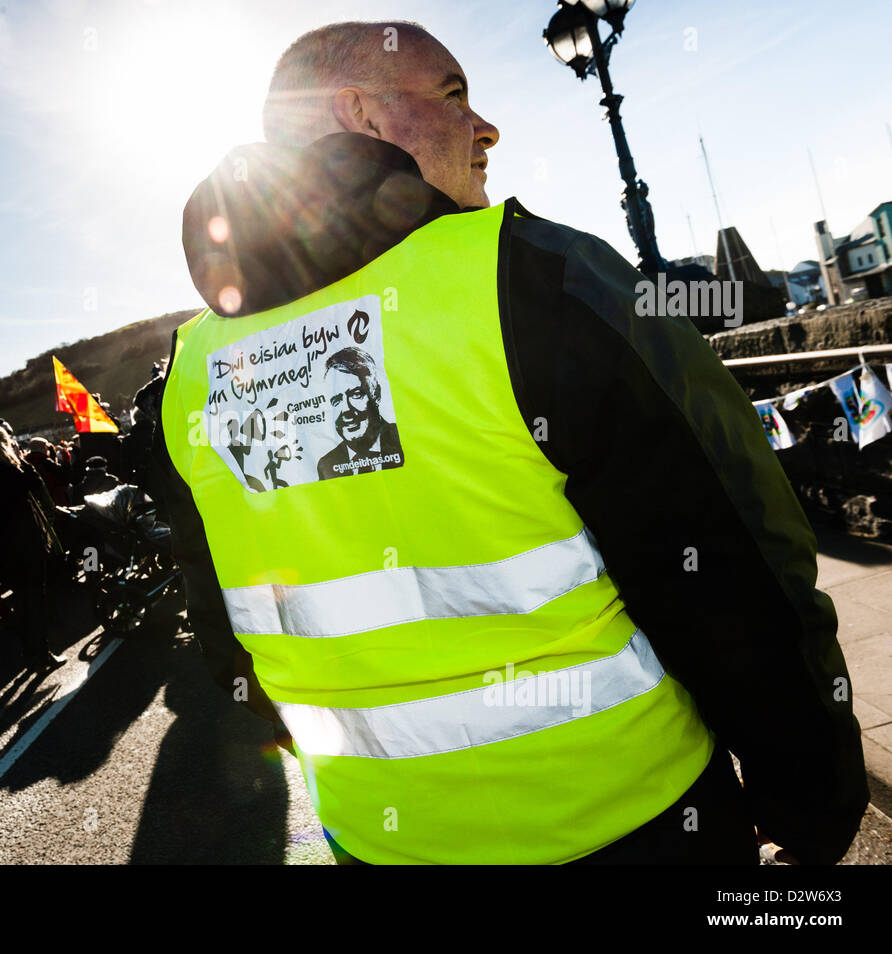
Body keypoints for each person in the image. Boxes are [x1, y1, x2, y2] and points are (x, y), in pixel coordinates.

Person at [155, 21, 866, 865]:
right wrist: (811, 797)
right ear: (358, 116)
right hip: (632, 821)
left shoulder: (189, 374)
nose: (486, 126)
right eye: (453, 94)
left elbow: (227, 637)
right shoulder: (529, 275)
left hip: (379, 843)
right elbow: (728, 557)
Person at [0, 425, 66, 670]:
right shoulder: (14, 469)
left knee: (20, 598)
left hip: (0, 543)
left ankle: (28, 651)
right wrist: (19, 459)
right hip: (26, 538)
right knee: (37, 596)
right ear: (4, 444)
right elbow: (35, 483)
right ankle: (43, 653)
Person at [315, 346, 404, 479]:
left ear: (376, 395)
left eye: (356, 395)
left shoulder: (403, 440)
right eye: (336, 400)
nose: (345, 410)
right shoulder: (326, 465)